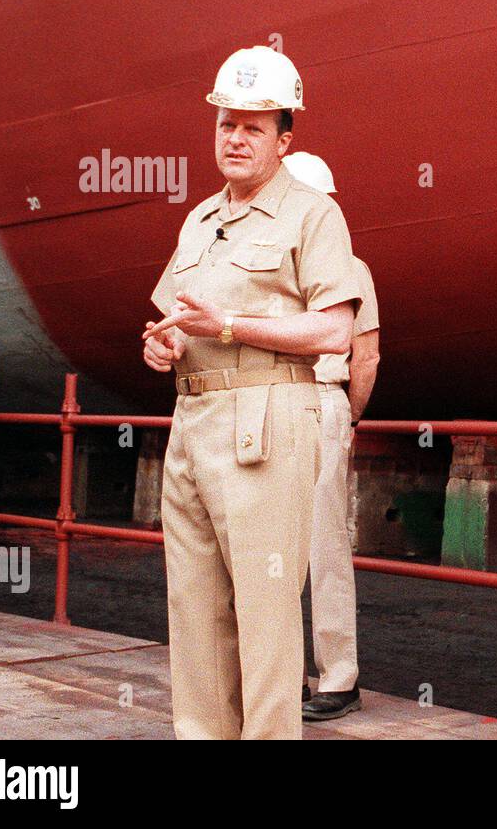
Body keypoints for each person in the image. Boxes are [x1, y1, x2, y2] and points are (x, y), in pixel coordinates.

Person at [141, 46, 359, 739]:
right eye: (226, 124)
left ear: (284, 138)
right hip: (193, 419)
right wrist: (163, 345)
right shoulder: (199, 220)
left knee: (264, 619)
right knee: (195, 614)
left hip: (266, 421)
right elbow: (177, 319)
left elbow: (336, 331)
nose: (235, 138)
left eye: (253, 127)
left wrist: (230, 325)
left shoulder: (313, 215)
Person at [281, 152, 381, 721]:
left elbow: (363, 357)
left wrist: (344, 417)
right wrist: (353, 412)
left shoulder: (343, 266)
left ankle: (333, 678)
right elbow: (366, 358)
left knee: (313, 544)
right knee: (298, 543)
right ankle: (314, 675)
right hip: (309, 401)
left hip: (315, 402)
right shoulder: (353, 268)